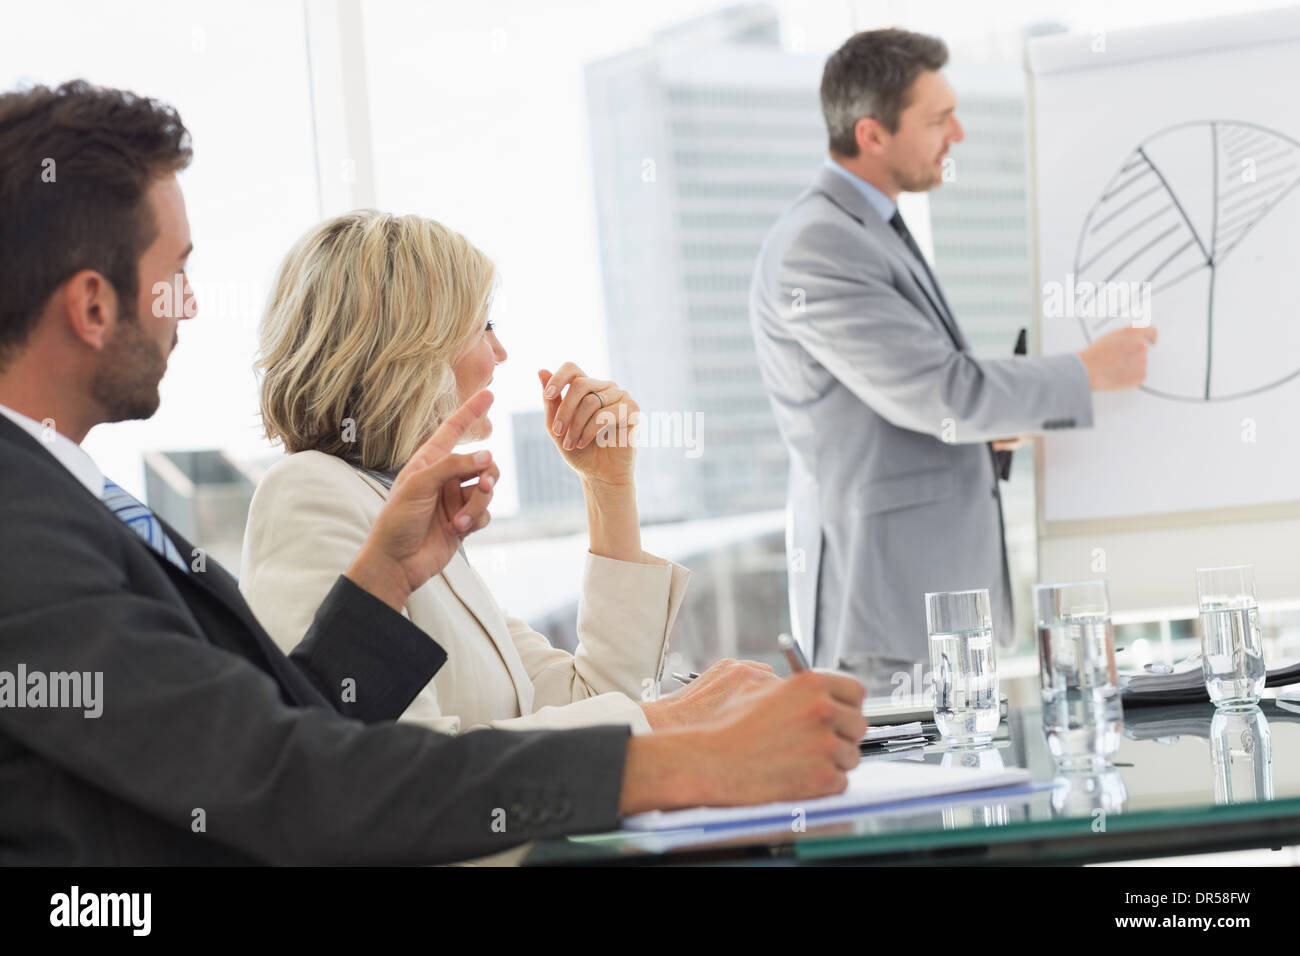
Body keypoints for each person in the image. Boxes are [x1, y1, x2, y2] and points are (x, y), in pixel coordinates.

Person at [0, 80, 867, 865]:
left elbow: (303, 721)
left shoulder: (66, 498)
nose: (189, 304)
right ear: (90, 304)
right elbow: (288, 775)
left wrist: (382, 580)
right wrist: (683, 748)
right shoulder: (25, 520)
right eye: (175, 275)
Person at [242, 209, 774, 733]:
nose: (500, 351)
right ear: (411, 347)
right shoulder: (309, 493)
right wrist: (669, 720)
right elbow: (395, 767)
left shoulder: (402, 509)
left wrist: (607, 488)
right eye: (484, 326)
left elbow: (599, 699)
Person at [749, 29, 1157, 693]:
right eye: (938, 119)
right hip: (886, 618)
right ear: (873, 134)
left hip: (927, 612)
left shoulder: (869, 229)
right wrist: (1087, 371)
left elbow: (900, 405)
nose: (959, 134)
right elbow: (939, 392)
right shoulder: (819, 244)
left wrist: (996, 430)